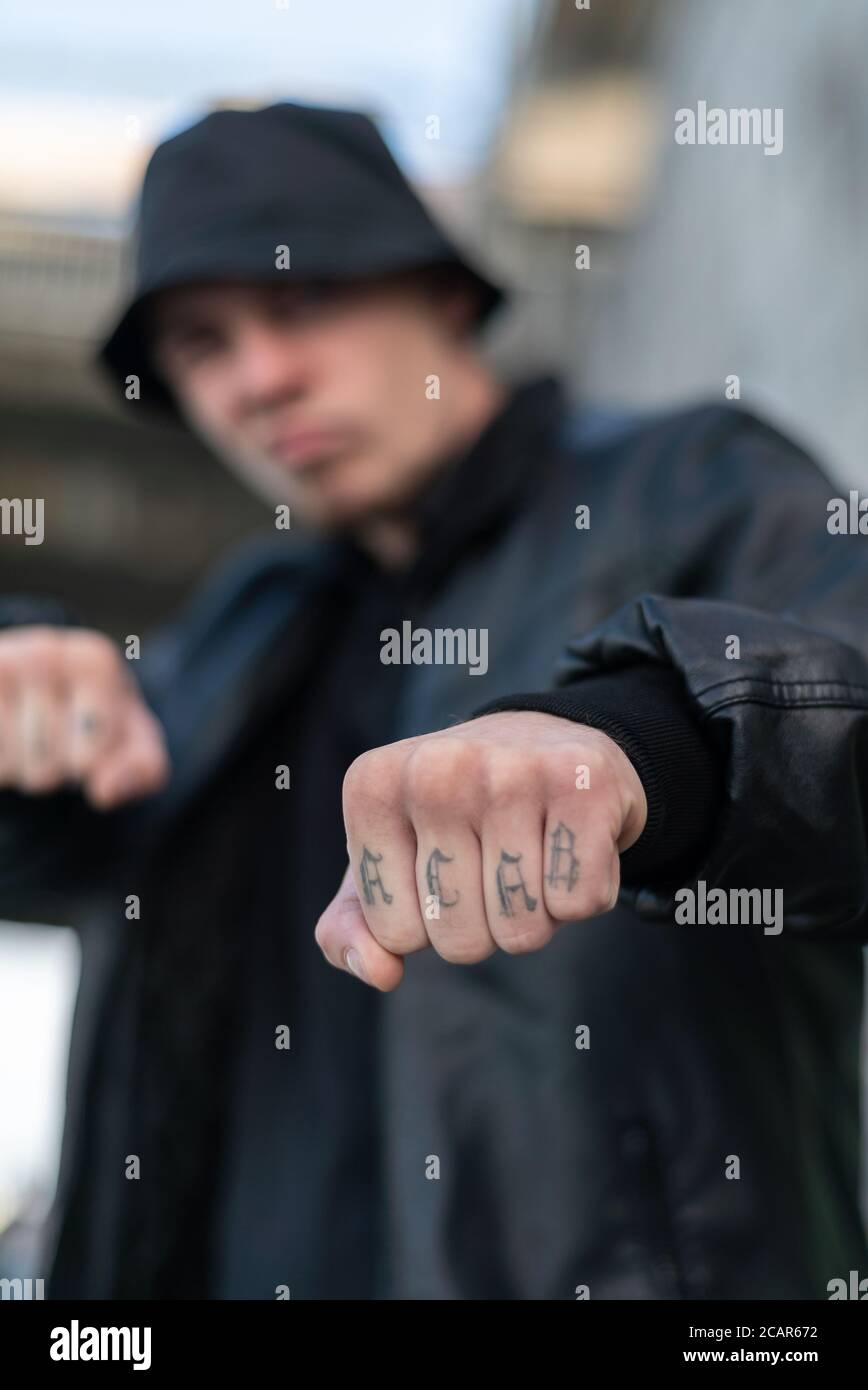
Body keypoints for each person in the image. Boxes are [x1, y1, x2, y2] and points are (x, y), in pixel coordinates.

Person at [1, 100, 867, 1300]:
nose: (257, 379)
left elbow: (845, 694)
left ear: (442, 291)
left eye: (300, 304)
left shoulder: (682, 482)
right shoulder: (233, 629)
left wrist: (637, 744)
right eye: (203, 345)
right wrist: (23, 720)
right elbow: (64, 866)